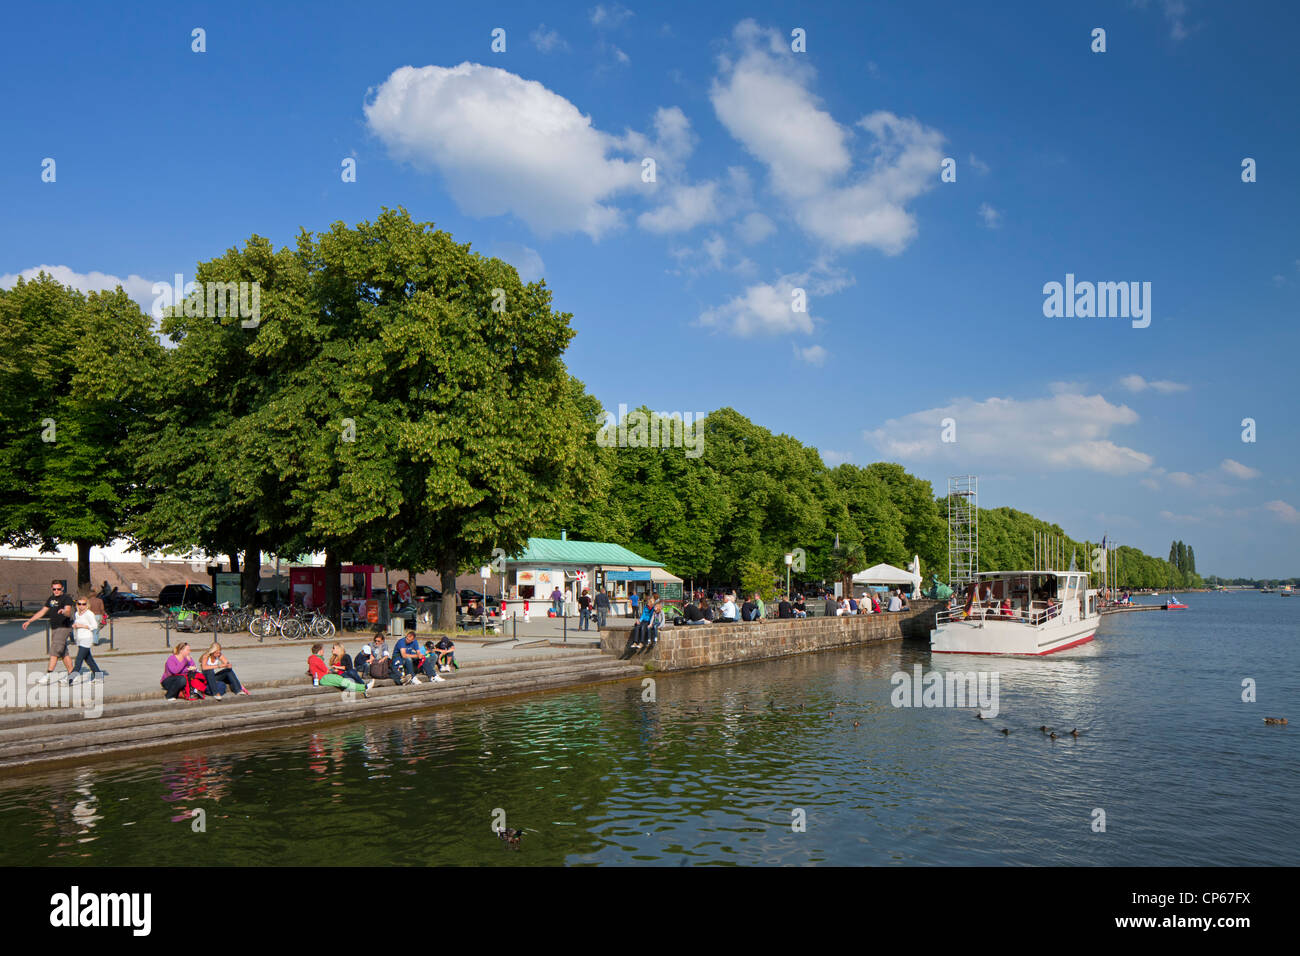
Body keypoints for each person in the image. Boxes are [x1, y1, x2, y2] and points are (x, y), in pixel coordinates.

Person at [23, 579, 75, 684]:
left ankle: (48, 675)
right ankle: (73, 674)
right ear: (52, 588)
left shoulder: (66, 598)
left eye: (58, 589)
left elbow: (68, 611)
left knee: (54, 651)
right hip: (55, 628)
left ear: (62, 588)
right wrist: (30, 620)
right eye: (54, 589)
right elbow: (42, 611)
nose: (56, 591)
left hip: (63, 627)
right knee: (63, 652)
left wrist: (64, 611)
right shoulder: (51, 599)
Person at [307, 644, 373, 697]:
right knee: (344, 682)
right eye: (323, 650)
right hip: (324, 677)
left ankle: (363, 688)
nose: (324, 651)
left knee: (346, 680)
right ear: (320, 651)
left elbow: (311, 670)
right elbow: (326, 670)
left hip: (324, 677)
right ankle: (365, 687)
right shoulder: (317, 659)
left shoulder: (312, 659)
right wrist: (332, 670)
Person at [67, 596, 105, 684]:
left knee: (78, 660)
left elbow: (95, 626)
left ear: (87, 605)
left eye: (83, 604)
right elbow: (77, 623)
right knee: (89, 660)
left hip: (87, 639)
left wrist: (83, 626)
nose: (81, 606)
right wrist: (75, 625)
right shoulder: (77, 614)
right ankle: (99, 677)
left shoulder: (89, 613)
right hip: (80, 639)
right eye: (79, 604)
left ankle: (70, 680)